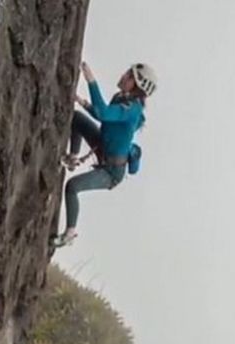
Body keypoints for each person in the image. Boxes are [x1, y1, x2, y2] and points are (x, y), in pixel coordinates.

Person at [51, 62, 158, 248]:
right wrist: (83, 103)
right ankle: (72, 157)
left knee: (72, 186)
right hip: (103, 146)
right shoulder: (121, 98)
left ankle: (69, 233)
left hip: (112, 172)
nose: (124, 76)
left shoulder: (132, 110)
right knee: (75, 117)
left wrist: (91, 80)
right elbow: (105, 118)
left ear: (137, 84)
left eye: (129, 75)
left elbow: (103, 113)